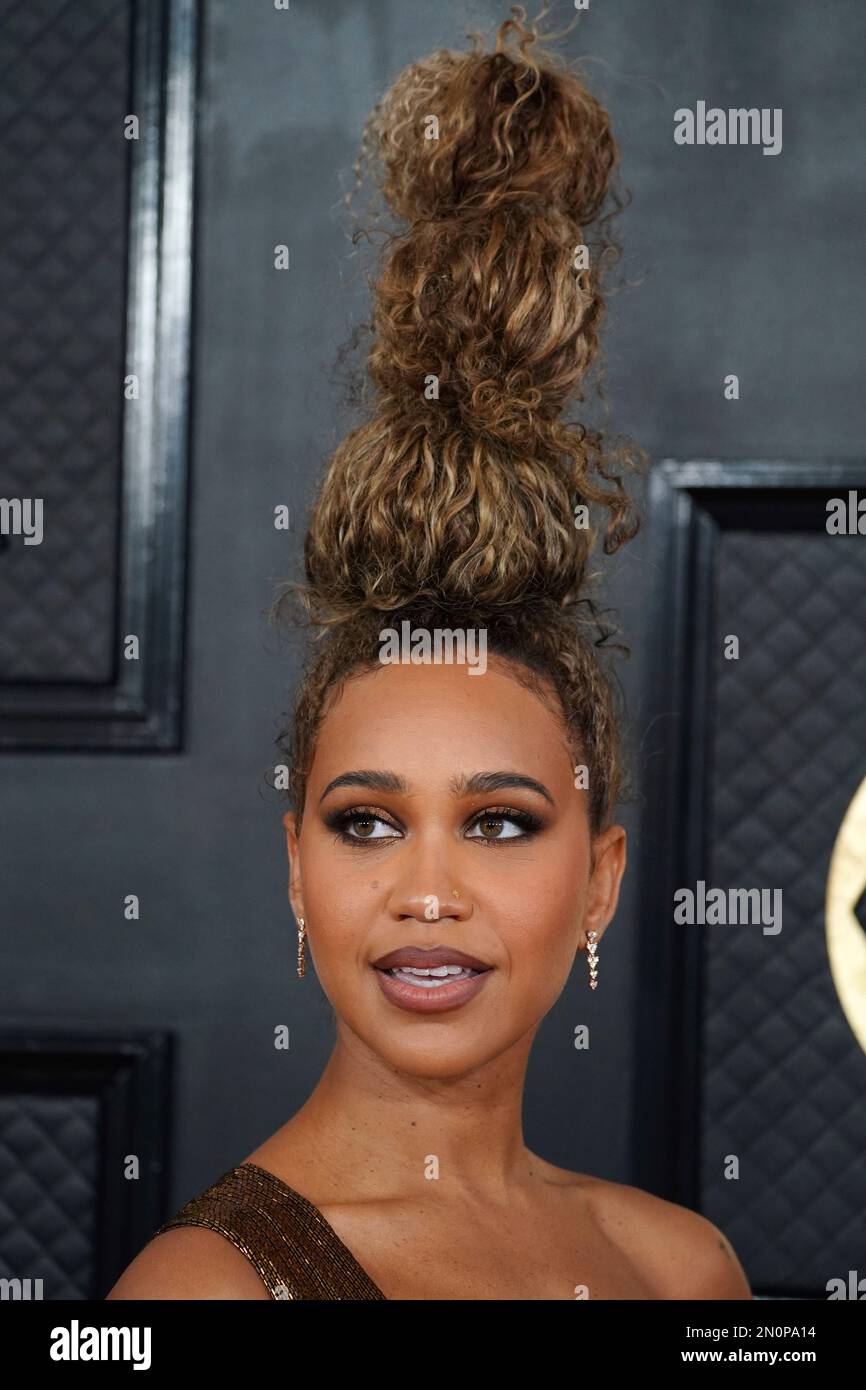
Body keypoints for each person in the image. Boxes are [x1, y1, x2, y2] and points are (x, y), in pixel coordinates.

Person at [108, 5, 751, 1301]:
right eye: (364, 821)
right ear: (295, 867)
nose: (428, 890)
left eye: (503, 823)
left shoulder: (683, 1269)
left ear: (600, 879)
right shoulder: (200, 1292)